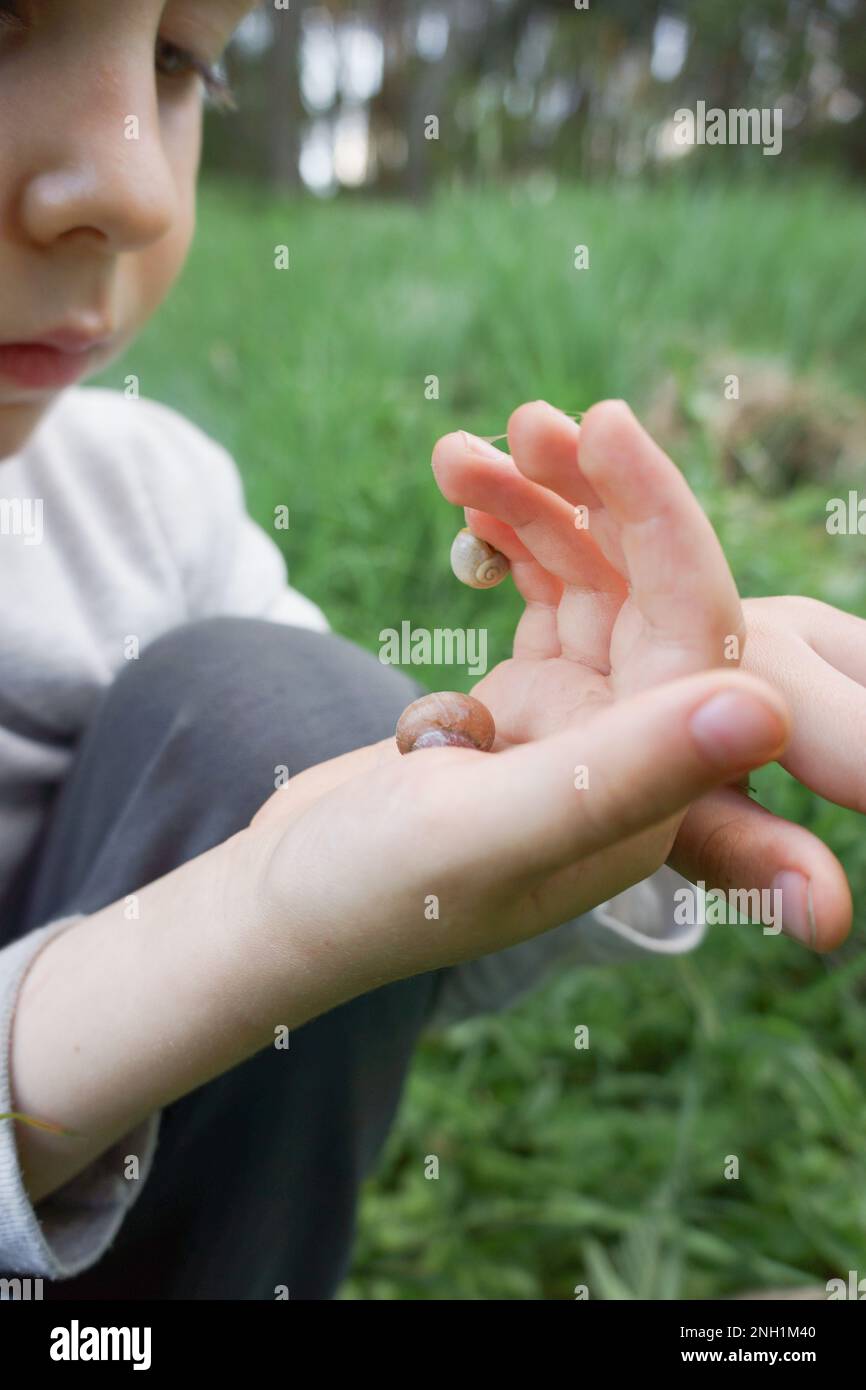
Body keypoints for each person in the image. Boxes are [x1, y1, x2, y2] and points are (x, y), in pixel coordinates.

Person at [0, 1, 859, 1300]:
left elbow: (386, 908)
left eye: (179, 62)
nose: (130, 187)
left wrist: (576, 775)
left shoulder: (152, 499)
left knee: (277, 708)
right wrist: (228, 930)